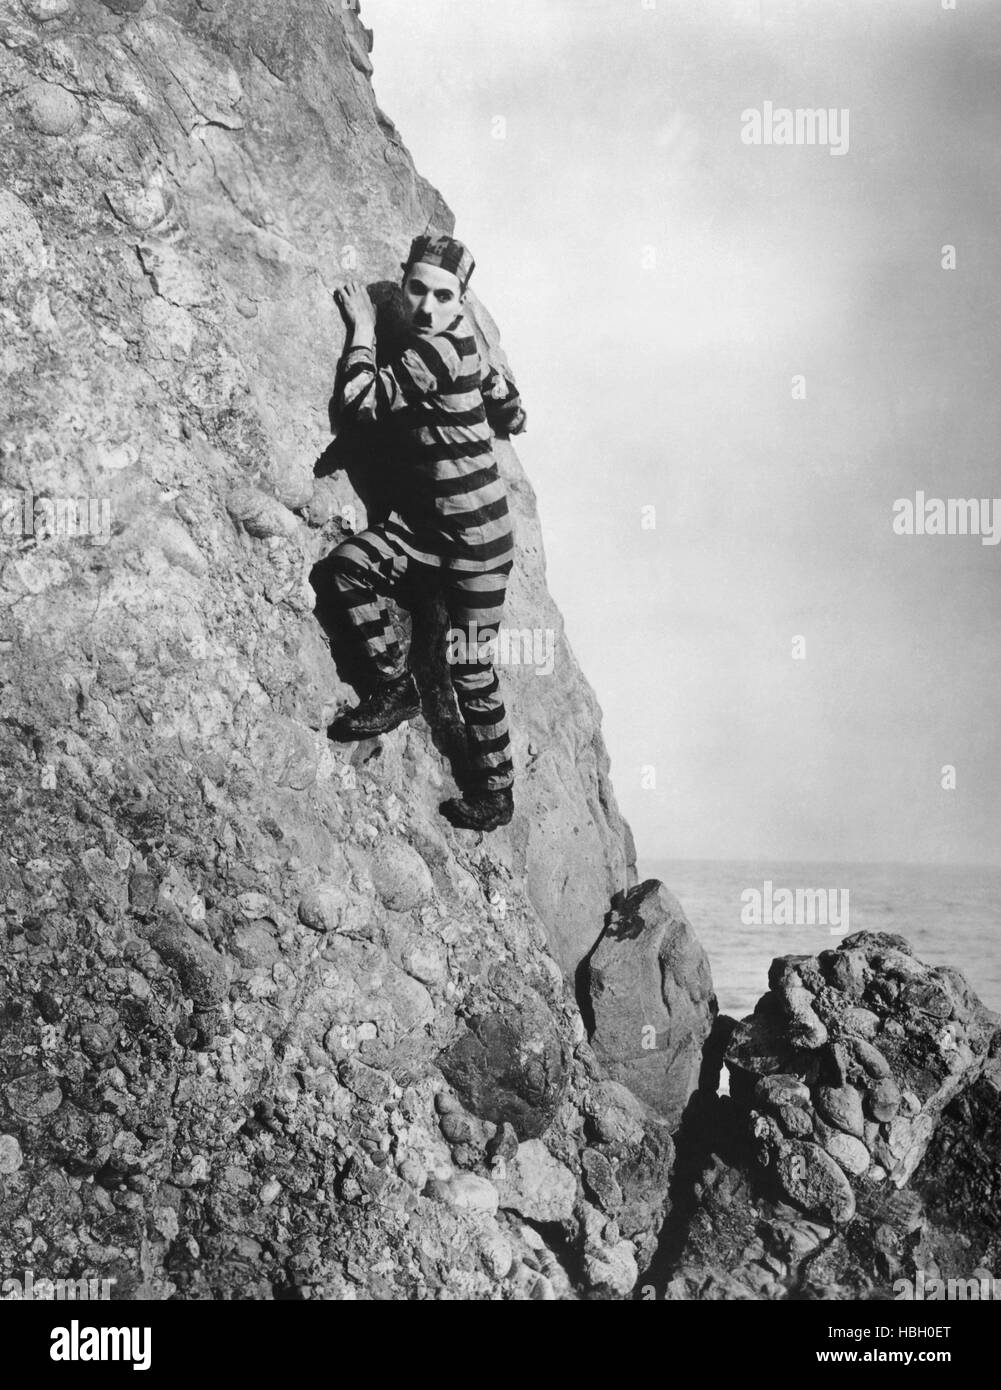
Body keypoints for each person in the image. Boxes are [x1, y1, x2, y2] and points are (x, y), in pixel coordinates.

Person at [323, 233, 526, 832]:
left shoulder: (435, 352)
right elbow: (511, 406)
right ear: (406, 282)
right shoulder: (462, 345)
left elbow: (360, 402)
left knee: (469, 666)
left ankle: (496, 795)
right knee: (346, 567)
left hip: (478, 548)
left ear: (459, 301)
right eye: (416, 290)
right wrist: (493, 402)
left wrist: (362, 326)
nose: (426, 307)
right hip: (429, 533)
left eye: (442, 296)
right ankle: (395, 689)